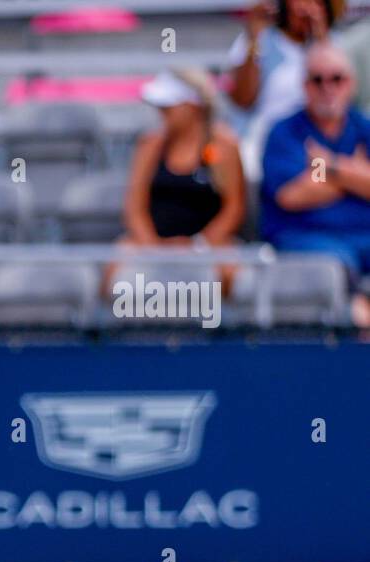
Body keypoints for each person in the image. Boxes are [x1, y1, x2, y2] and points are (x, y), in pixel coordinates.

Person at [106, 70, 247, 296]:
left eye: (168, 107)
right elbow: (135, 208)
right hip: (151, 242)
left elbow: (234, 208)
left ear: (192, 107)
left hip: (210, 243)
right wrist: (153, 248)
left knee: (232, 273)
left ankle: (224, 329)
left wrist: (199, 246)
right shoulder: (150, 145)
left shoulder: (223, 146)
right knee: (114, 269)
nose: (161, 113)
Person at [260, 41, 370, 326]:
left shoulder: (363, 127)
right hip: (306, 238)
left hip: (362, 237)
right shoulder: (285, 132)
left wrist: (329, 165)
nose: (327, 88)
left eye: (337, 78)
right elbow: (293, 195)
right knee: (334, 264)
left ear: (351, 83)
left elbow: (314, 181)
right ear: (305, 85)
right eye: (317, 80)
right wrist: (355, 173)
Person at [226, 0, 343, 180]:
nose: (306, 9)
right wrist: (254, 39)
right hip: (264, 144)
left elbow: (339, 98)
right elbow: (243, 100)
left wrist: (320, 38)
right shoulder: (260, 40)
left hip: (316, 146)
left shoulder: (334, 44)